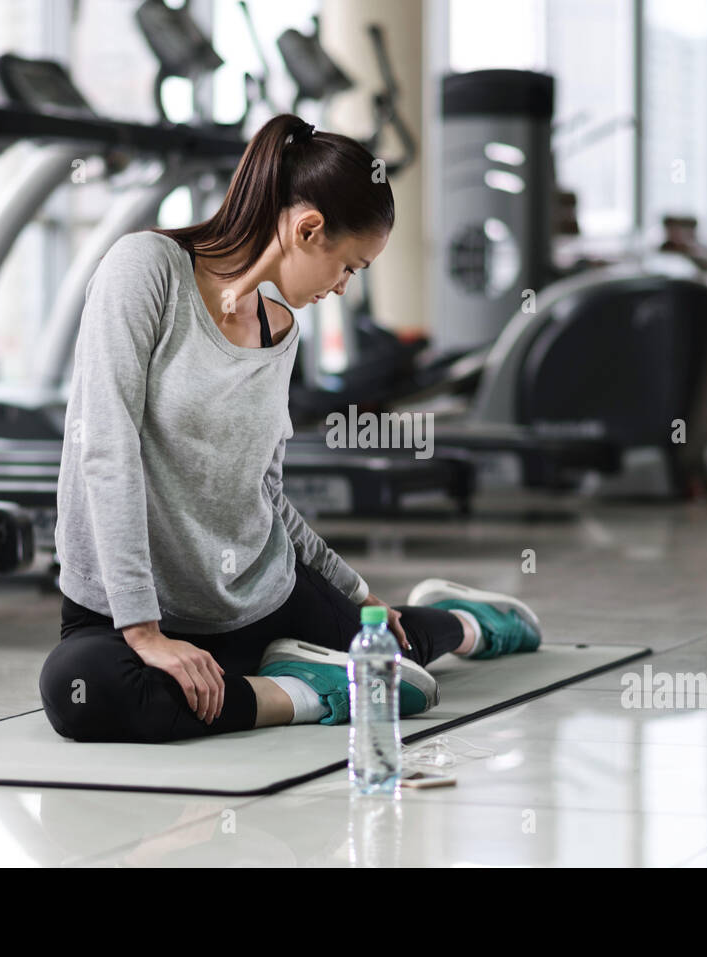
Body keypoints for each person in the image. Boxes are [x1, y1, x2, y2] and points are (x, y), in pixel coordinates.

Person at [39, 114, 542, 744]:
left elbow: (265, 491)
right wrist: (143, 631)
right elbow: (106, 451)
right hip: (125, 613)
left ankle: (467, 623)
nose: (342, 287)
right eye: (350, 267)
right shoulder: (144, 271)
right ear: (308, 229)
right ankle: (311, 689)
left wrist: (356, 593)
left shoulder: (281, 330)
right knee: (83, 691)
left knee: (391, 641)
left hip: (258, 596)